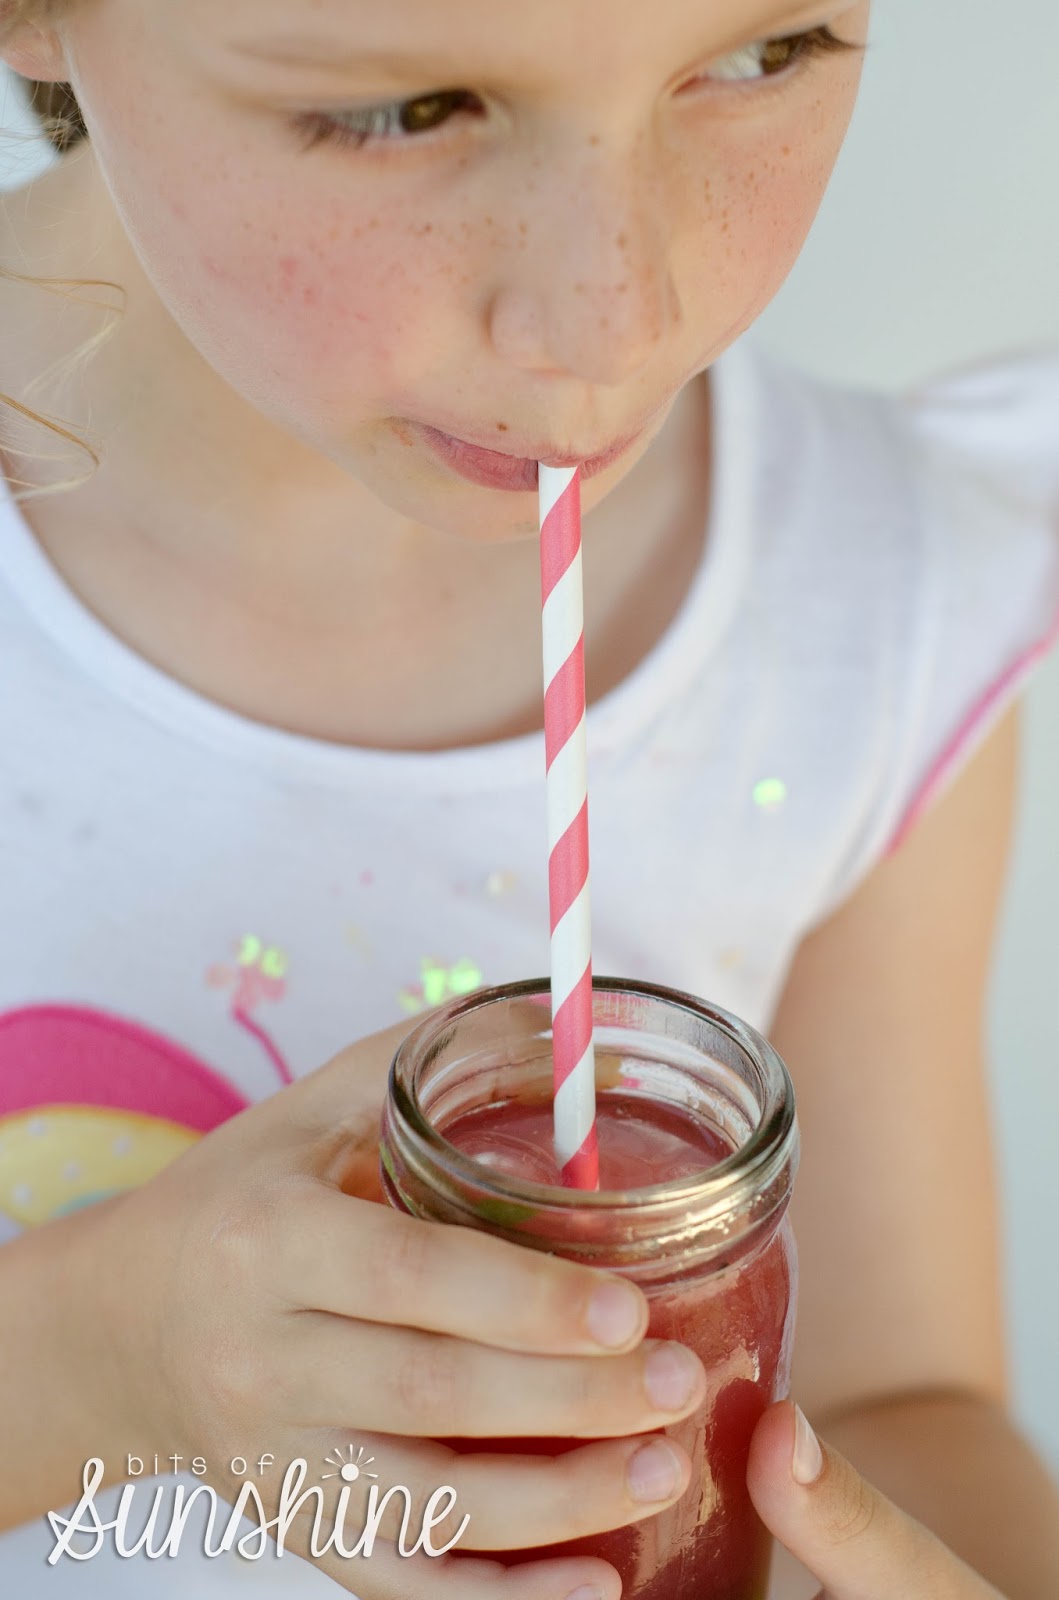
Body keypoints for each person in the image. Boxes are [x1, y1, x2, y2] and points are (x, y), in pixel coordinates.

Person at [0, 0, 1057, 1596]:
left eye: (763, 54)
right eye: (411, 108)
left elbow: (908, 1402)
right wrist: (103, 1358)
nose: (611, 319)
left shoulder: (870, 608)